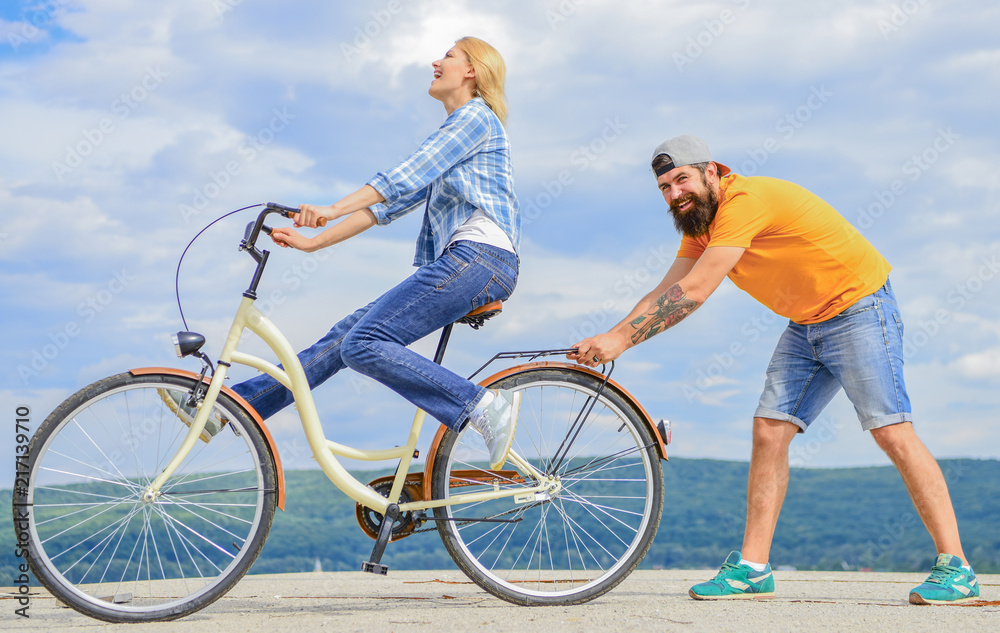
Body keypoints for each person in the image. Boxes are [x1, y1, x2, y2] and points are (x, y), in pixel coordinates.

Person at [567, 135, 978, 605]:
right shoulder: (698, 227)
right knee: (769, 430)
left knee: (891, 431)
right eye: (664, 187)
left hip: (859, 308)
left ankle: (958, 568)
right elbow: (668, 288)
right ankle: (754, 569)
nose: (674, 193)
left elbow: (697, 291)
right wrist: (610, 335)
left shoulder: (745, 201)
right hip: (807, 323)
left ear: (711, 171)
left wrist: (621, 339)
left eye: (681, 179)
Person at [167, 37, 521, 471]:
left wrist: (331, 209)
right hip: (466, 262)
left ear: (471, 71)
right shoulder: (460, 134)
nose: (435, 61)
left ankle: (480, 405)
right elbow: (384, 206)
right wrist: (314, 240)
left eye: (447, 56)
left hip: (480, 259)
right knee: (342, 339)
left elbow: (404, 175)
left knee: (365, 343)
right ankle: (233, 407)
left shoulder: (473, 120)